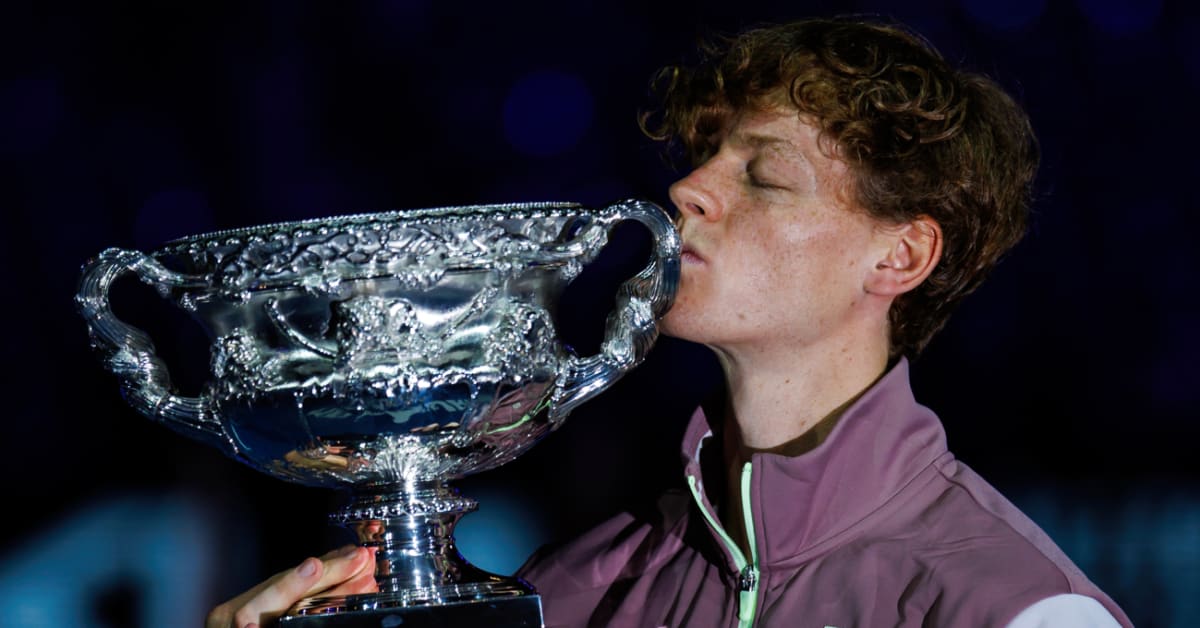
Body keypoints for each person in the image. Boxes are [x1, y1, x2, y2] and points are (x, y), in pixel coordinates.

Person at [208, 17, 1131, 628]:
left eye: (763, 176)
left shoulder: (1012, 605)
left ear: (898, 258)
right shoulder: (579, 585)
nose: (687, 189)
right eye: (703, 158)